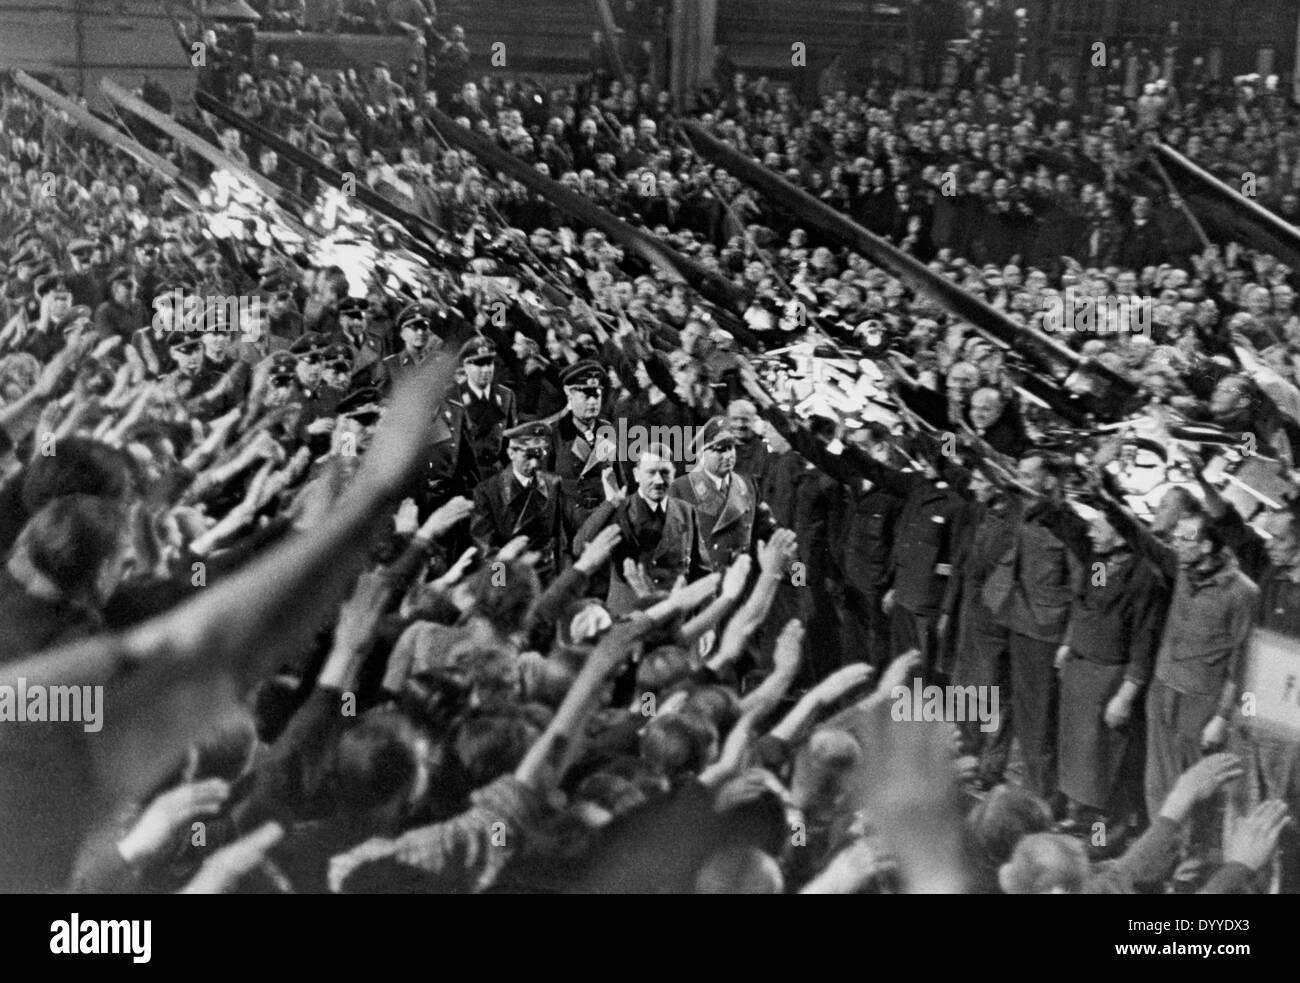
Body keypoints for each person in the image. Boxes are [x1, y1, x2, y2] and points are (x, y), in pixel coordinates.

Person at [573, 443, 711, 614]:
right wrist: (611, 504)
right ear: (637, 475)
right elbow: (579, 546)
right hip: (629, 617)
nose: (659, 481)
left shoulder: (685, 511)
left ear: (674, 474)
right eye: (651, 472)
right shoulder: (619, 509)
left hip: (674, 615)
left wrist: (708, 622)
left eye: (665, 472)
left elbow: (702, 572)